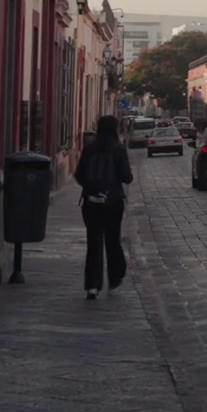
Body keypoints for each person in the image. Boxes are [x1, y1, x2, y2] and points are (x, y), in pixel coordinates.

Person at [74, 114, 134, 299]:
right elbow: (127, 177)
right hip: (113, 202)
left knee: (94, 242)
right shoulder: (118, 149)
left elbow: (78, 175)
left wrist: (93, 187)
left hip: (91, 202)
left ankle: (92, 285)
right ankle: (115, 277)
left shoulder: (89, 149)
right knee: (112, 239)